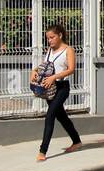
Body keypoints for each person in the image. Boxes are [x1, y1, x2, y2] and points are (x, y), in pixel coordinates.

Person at [33, 23, 83, 161]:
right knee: (62, 117)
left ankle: (42, 151)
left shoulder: (68, 50)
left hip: (62, 87)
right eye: (48, 38)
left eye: (52, 37)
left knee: (50, 115)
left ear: (60, 35)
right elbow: (45, 66)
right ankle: (77, 141)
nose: (50, 41)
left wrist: (54, 77)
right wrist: (34, 71)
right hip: (50, 87)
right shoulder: (50, 50)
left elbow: (71, 69)